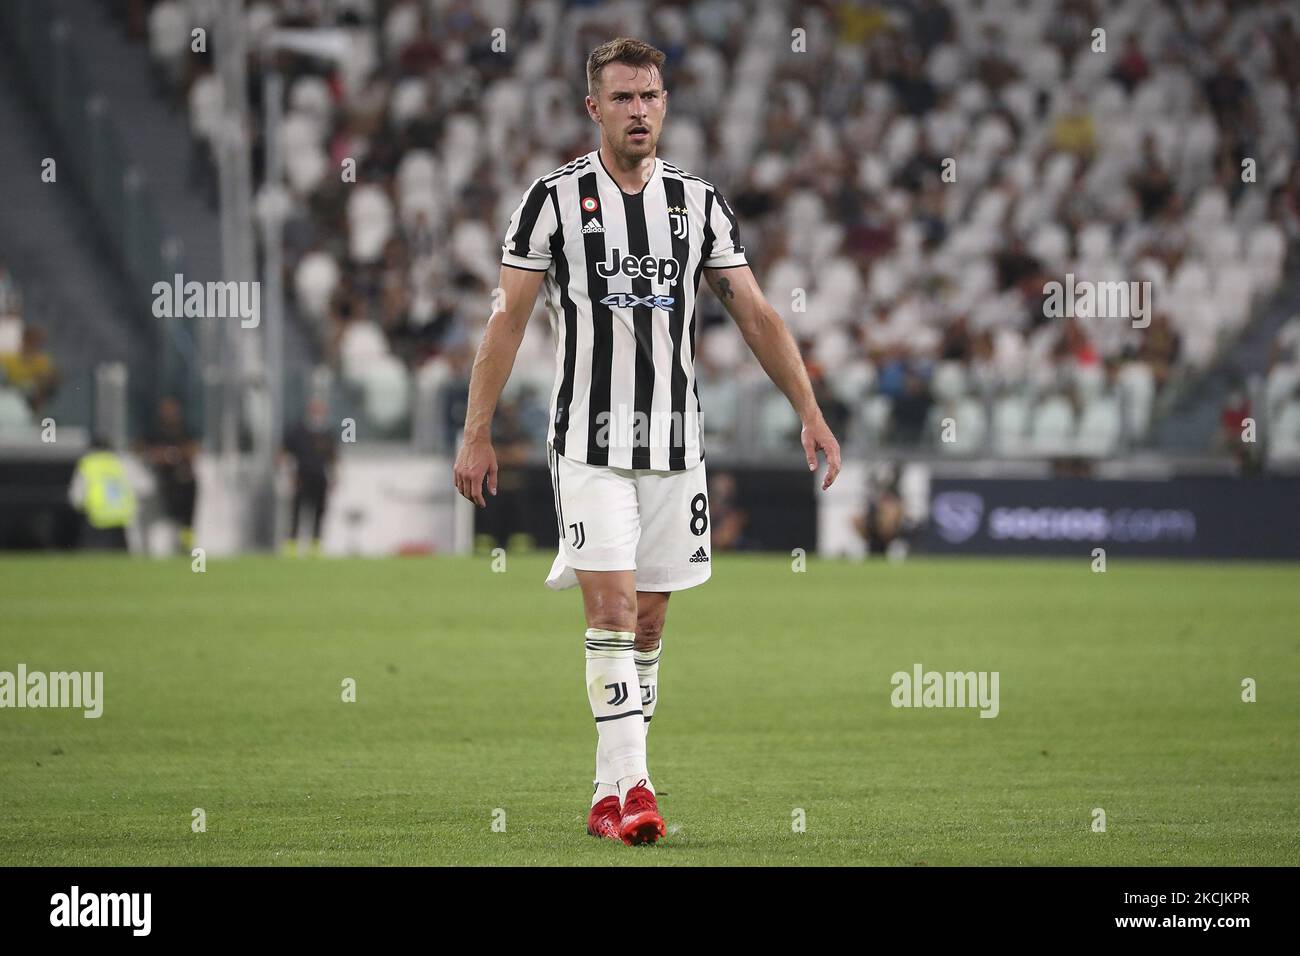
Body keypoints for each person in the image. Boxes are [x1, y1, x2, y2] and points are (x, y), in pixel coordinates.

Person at [452, 38, 841, 847]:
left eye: (651, 96)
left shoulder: (697, 204)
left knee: (652, 622)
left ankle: (605, 790)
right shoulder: (551, 201)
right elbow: (508, 321)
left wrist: (809, 408)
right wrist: (477, 431)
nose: (639, 110)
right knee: (613, 610)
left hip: (676, 447)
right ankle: (637, 789)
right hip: (588, 445)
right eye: (623, 97)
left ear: (665, 104)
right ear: (594, 107)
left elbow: (757, 314)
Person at [139, 396, 198, 551]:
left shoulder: (184, 429)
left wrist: (173, 455)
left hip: (186, 481)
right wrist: (166, 456)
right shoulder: (156, 431)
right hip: (166, 481)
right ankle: (165, 546)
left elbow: (193, 450)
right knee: (168, 518)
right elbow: (143, 449)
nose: (170, 413)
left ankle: (186, 547)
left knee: (187, 520)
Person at [282, 398, 337, 555]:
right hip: (301, 477)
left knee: (319, 513)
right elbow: (285, 452)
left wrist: (334, 477)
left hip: (320, 478)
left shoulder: (328, 432)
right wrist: (287, 474)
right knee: (296, 512)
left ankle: (315, 547)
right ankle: (291, 547)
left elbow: (333, 457)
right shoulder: (298, 430)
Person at [68, 438, 136, 551]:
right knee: (119, 557)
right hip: (120, 520)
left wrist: (79, 507)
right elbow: (144, 486)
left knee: (96, 556)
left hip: (97, 519)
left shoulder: (88, 463)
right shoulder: (121, 461)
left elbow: (77, 495)